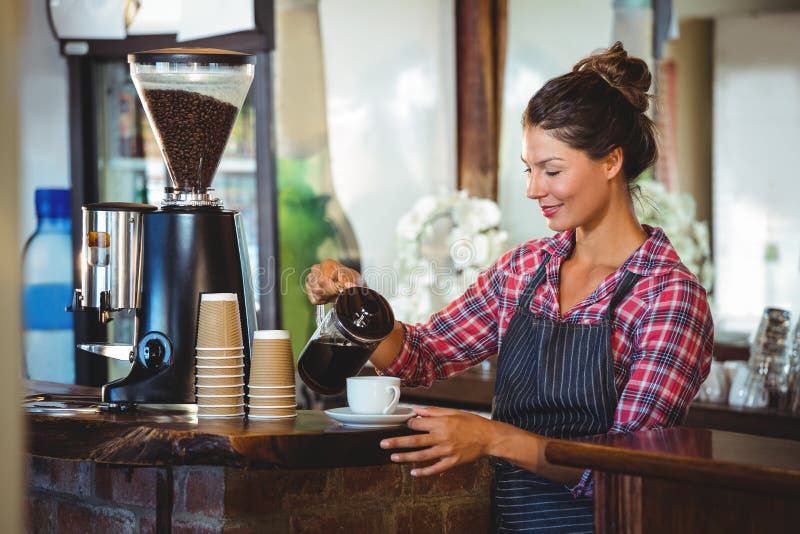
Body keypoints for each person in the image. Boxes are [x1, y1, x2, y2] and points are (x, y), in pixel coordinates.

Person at [305, 41, 713, 533]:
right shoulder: (525, 270)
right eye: (529, 169)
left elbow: (621, 467)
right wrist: (356, 297)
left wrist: (492, 437)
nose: (533, 189)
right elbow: (424, 353)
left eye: (552, 170)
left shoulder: (668, 296)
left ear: (610, 162)